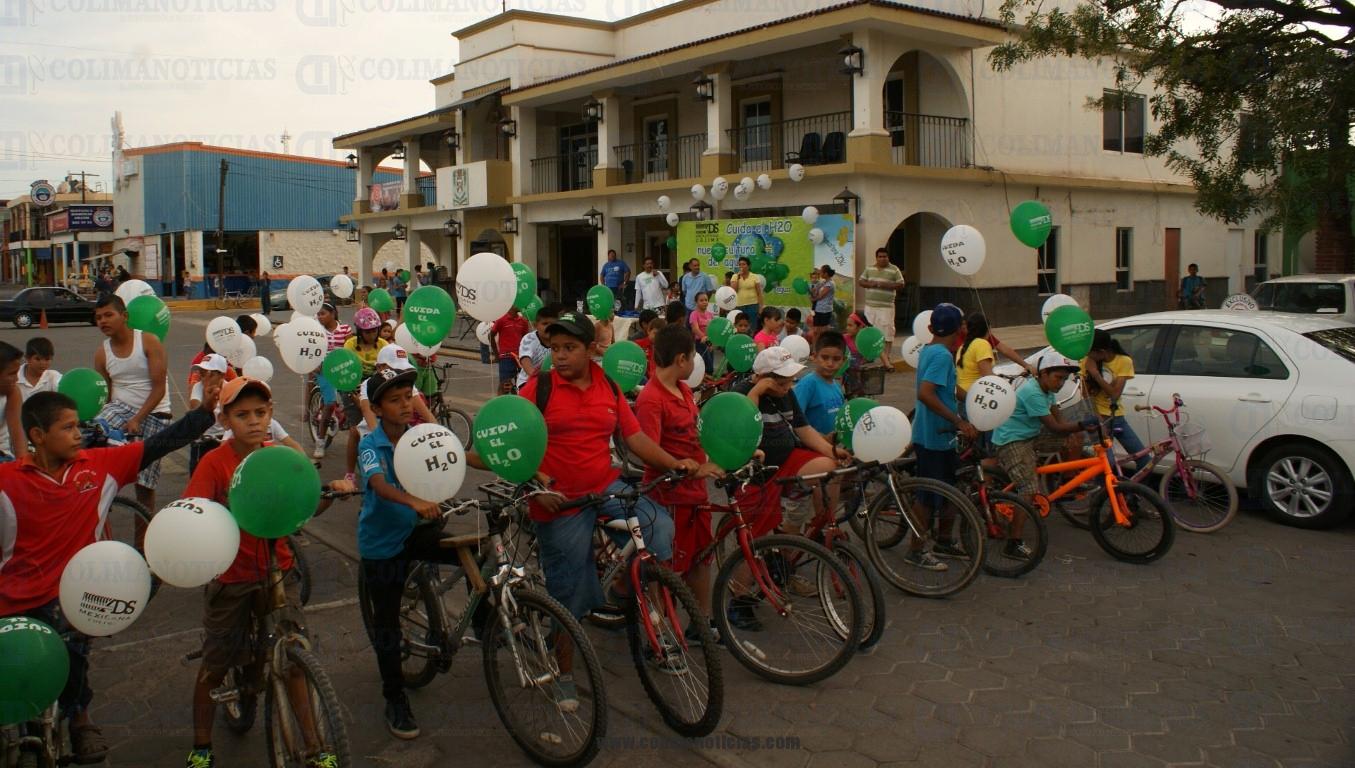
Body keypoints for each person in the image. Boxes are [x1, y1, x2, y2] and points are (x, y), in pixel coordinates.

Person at [480, 312, 696, 701]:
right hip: (559, 499)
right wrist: (532, 485)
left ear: (590, 349)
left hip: (604, 484)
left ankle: (624, 593)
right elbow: (510, 443)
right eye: (555, 348)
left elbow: (634, 439)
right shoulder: (538, 389)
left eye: (569, 348)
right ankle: (563, 668)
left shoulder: (608, 387)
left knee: (658, 526)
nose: (560, 356)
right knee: (568, 593)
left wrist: (672, 461)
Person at [3, 383, 221, 765]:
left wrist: (204, 413)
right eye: (68, 428)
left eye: (78, 426)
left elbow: (160, 445)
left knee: (73, 656)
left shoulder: (100, 465)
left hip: (77, 597)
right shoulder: (7, 482)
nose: (77, 434)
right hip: (16, 603)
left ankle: (80, 719)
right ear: (37, 436)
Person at [184, 377, 348, 768]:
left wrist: (331, 492)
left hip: (279, 573)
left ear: (271, 414)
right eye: (242, 415)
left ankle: (315, 746)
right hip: (232, 578)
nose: (253, 422)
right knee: (215, 663)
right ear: (225, 419)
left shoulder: (279, 457)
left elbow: (302, 509)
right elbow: (191, 511)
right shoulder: (215, 463)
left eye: (260, 413)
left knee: (292, 659)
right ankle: (202, 746)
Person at [356, 367, 459, 740]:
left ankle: (486, 622)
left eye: (407, 397)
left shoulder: (421, 437)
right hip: (382, 544)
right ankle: (395, 698)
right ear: (378, 408)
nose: (405, 406)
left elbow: (451, 459)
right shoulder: (372, 444)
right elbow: (380, 485)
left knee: (475, 552)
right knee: (388, 628)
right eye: (395, 400)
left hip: (417, 532)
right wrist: (413, 501)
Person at [733, 346, 849, 586]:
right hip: (757, 471)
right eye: (782, 381)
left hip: (787, 459)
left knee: (830, 468)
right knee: (756, 535)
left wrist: (832, 451)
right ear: (765, 379)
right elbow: (744, 428)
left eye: (790, 380)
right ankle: (739, 593)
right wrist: (756, 393)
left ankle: (821, 525)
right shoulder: (742, 392)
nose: (788, 386)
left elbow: (804, 430)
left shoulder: (787, 393)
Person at [634, 324, 723, 623]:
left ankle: (703, 624)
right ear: (681, 359)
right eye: (693, 357)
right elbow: (650, 452)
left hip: (695, 495)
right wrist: (685, 468)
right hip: (669, 498)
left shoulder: (684, 389)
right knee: (668, 570)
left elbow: (695, 437)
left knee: (701, 559)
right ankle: (665, 635)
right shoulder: (651, 398)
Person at [991, 352, 1088, 558]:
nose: (1061, 383)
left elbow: (1059, 422)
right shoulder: (1032, 392)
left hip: (1032, 435)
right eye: (1058, 378)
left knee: (1077, 437)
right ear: (1043, 374)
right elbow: (1053, 426)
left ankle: (1067, 482)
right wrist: (1079, 424)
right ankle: (1013, 542)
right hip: (1013, 439)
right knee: (1028, 489)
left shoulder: (1048, 390)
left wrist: (1072, 433)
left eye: (1064, 378)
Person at [910, 302, 976, 572]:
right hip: (933, 437)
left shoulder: (932, 349)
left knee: (950, 489)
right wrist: (958, 420)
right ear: (959, 329)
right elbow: (926, 393)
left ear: (930, 328)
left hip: (940, 436)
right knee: (927, 496)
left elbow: (946, 387)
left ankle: (945, 540)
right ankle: (915, 550)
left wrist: (972, 398)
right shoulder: (941, 356)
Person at [92, 294, 172, 513]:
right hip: (118, 411)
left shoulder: (148, 341)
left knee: (144, 485)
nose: (103, 321)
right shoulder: (101, 354)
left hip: (155, 414)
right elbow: (105, 396)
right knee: (94, 433)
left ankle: (142, 543)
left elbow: (159, 388)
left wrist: (137, 418)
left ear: (124, 316)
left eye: (109, 315)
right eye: (99, 317)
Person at [1083, 329, 1150, 471]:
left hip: (1117, 417)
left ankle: (1133, 491)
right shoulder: (1086, 362)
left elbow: (1114, 395)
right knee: (1108, 465)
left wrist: (1095, 374)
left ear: (1101, 352)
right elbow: (1086, 396)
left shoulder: (1123, 361)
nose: (1087, 355)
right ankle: (1105, 492)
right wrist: (1098, 418)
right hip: (1098, 418)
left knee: (1144, 460)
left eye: (1090, 352)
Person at [343, 308, 389, 481]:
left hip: (376, 386)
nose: (371, 334)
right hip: (353, 385)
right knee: (355, 431)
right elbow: (346, 370)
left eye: (374, 330)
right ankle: (350, 473)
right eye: (367, 331)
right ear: (359, 331)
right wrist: (356, 397)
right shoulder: (350, 345)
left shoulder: (384, 344)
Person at [310, 302, 352, 459]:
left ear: (333, 313)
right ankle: (320, 441)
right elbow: (313, 350)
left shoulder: (345, 329)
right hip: (324, 371)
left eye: (323, 313)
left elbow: (350, 348)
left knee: (353, 401)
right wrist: (315, 364)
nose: (320, 317)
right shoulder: (317, 332)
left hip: (343, 369)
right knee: (329, 404)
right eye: (318, 314)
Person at [793, 330, 847, 439]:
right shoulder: (807, 385)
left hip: (831, 450)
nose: (830, 364)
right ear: (814, 356)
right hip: (812, 451)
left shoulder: (837, 387)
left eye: (836, 359)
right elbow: (794, 422)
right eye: (825, 357)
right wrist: (823, 438)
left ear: (843, 360)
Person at [858, 248, 905, 370]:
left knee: (887, 331)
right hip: (870, 306)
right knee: (869, 332)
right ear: (876, 258)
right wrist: (871, 284)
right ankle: (869, 356)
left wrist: (886, 285)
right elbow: (861, 281)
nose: (882, 258)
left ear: (888, 257)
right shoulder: (869, 269)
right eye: (880, 256)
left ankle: (887, 357)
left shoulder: (894, 269)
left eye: (885, 256)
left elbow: (901, 284)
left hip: (886, 307)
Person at [516, 302, 561, 389]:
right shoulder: (529, 339)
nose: (549, 327)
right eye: (545, 324)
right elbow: (525, 360)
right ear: (535, 325)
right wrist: (540, 379)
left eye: (552, 324)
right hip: (528, 381)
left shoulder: (560, 340)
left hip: (553, 381)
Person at [955, 312, 995, 403]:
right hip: (976, 399)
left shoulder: (963, 346)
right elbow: (989, 378)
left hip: (962, 396)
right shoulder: (982, 344)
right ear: (988, 329)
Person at [489, 306, 529, 395]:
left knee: (519, 385)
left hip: (520, 358)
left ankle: (516, 404)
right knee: (504, 385)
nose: (521, 305)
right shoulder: (501, 320)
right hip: (506, 358)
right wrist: (496, 355)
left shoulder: (523, 321)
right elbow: (491, 335)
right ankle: (501, 405)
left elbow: (526, 339)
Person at [0, 342, 24, 461]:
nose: (17, 378)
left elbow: (17, 435)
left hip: (4, 456)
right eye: (12, 373)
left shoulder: (13, 392)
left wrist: (24, 467)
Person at [18, 336, 61, 401]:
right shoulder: (14, 376)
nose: (43, 363)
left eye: (47, 359)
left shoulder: (53, 377)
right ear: (27, 358)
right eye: (38, 359)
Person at [688, 291, 715, 373]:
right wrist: (704, 338)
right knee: (703, 365)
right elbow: (695, 329)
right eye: (701, 300)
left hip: (710, 342)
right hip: (700, 343)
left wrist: (712, 342)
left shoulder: (710, 315)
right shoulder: (694, 314)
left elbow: (713, 330)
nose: (704, 302)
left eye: (706, 300)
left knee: (710, 366)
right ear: (696, 302)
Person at [809, 266, 836, 338]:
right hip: (818, 309)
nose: (819, 273)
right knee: (815, 331)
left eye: (821, 272)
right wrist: (813, 290)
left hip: (825, 311)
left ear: (826, 273)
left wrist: (813, 299)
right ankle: (815, 348)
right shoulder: (823, 282)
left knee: (823, 331)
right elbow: (815, 291)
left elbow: (821, 296)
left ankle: (823, 346)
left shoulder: (830, 284)